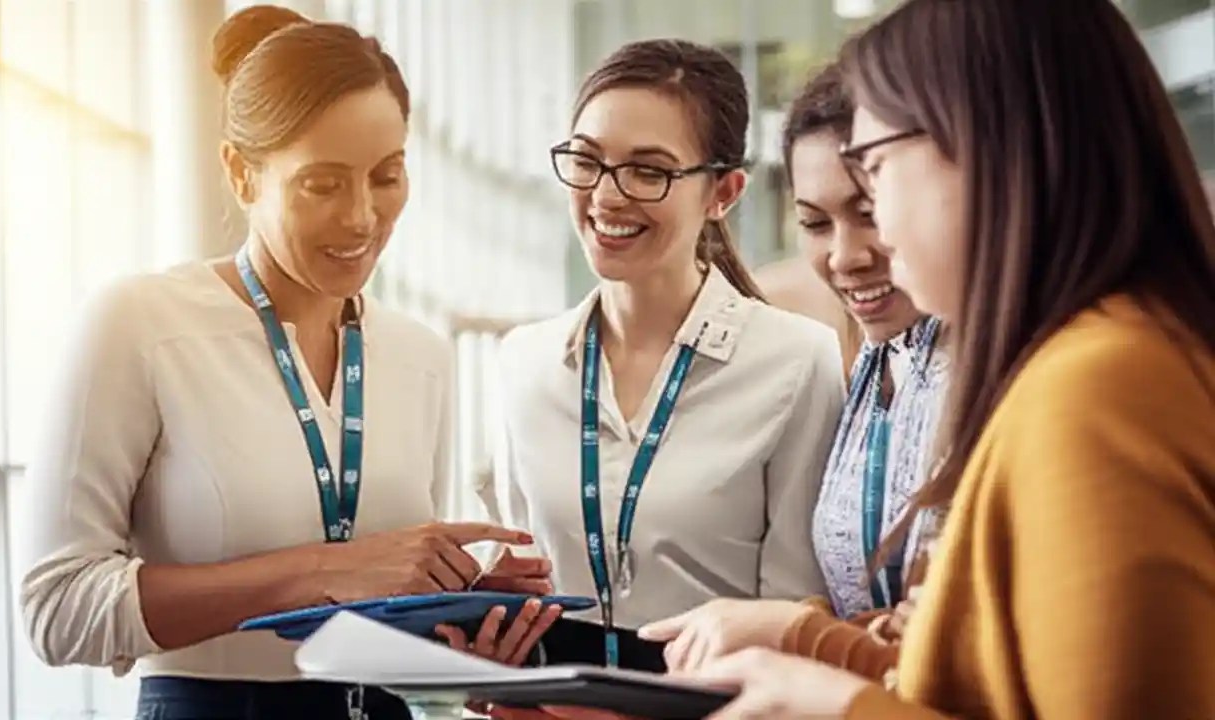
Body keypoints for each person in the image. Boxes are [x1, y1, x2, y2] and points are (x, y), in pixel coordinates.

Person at [676, 0, 1215, 717]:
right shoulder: (1088, 362)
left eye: (876, 171)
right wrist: (804, 638)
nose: (873, 232)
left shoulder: (1097, 386)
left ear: (989, 147)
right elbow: (987, 681)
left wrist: (837, 707)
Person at [12, 7, 554, 720]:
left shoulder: (418, 355)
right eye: (323, 185)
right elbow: (56, 611)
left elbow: (386, 624)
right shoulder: (139, 323)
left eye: (386, 175)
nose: (363, 217)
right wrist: (330, 571)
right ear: (241, 173)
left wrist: (465, 621)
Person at [468, 39, 846, 673]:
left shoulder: (797, 361)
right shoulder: (522, 363)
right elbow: (523, 582)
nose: (607, 196)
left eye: (649, 171)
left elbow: (794, 611)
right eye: (587, 161)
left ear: (723, 192)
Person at [638, 63, 948, 676]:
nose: (844, 256)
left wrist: (792, 630)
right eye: (814, 222)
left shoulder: (1004, 370)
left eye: (870, 211)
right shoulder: (874, 356)